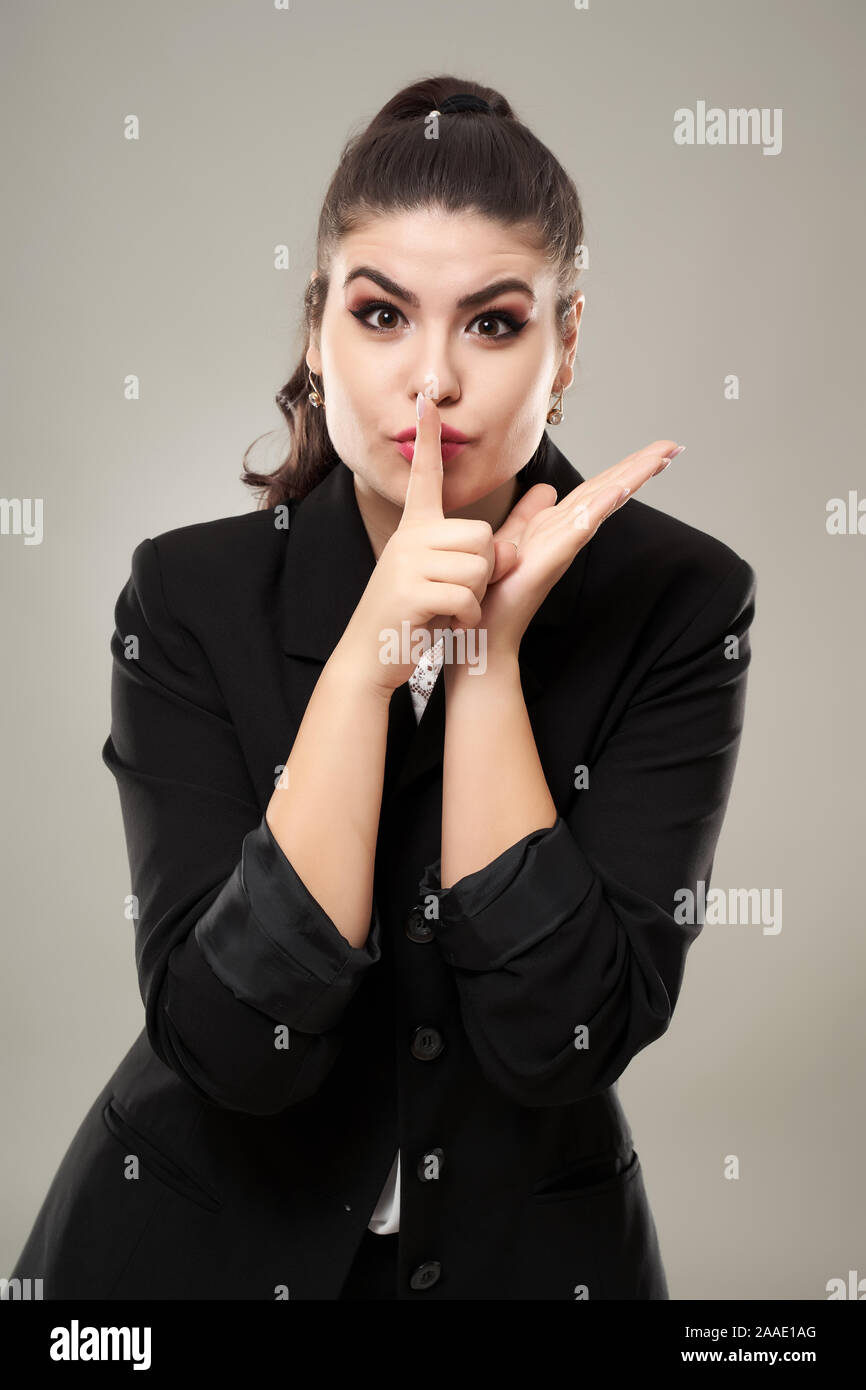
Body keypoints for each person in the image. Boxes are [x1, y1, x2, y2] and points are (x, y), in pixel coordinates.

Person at [8, 75, 756, 1301]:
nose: (430, 383)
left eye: (493, 323)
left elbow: (555, 1035)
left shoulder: (681, 598)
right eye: (380, 314)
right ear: (317, 333)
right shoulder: (186, 595)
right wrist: (366, 660)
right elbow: (235, 1047)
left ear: (566, 342)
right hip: (189, 1258)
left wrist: (486, 658)